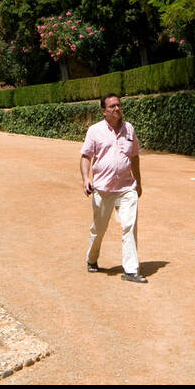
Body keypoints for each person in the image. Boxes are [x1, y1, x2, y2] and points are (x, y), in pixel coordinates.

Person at [80, 93, 146, 283]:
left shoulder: (129, 129)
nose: (117, 109)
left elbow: (134, 157)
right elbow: (86, 156)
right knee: (99, 229)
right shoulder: (94, 131)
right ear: (103, 111)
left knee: (129, 226)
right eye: (112, 107)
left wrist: (138, 182)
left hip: (126, 188)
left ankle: (132, 270)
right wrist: (86, 179)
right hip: (103, 188)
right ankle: (92, 259)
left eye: (118, 105)